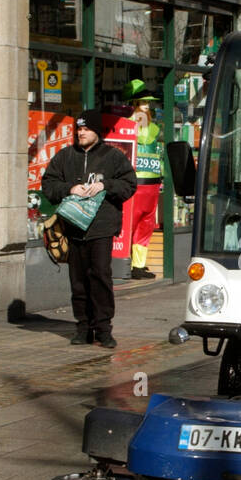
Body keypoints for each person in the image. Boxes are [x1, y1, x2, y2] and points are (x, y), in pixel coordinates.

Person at [41, 110, 138, 348]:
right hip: (73, 228)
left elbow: (129, 184)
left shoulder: (113, 157)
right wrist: (69, 189)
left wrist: (105, 185)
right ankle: (83, 327)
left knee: (101, 277)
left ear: (97, 131)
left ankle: (104, 329)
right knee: (78, 280)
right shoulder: (66, 156)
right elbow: (49, 184)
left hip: (101, 228)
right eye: (79, 129)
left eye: (86, 129)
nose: (81, 133)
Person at [123, 79, 162, 280]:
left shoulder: (151, 126)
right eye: (142, 102)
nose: (147, 106)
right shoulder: (129, 126)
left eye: (148, 103)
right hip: (137, 183)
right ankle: (127, 262)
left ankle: (139, 264)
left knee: (145, 225)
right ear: (134, 104)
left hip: (151, 183)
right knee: (133, 222)